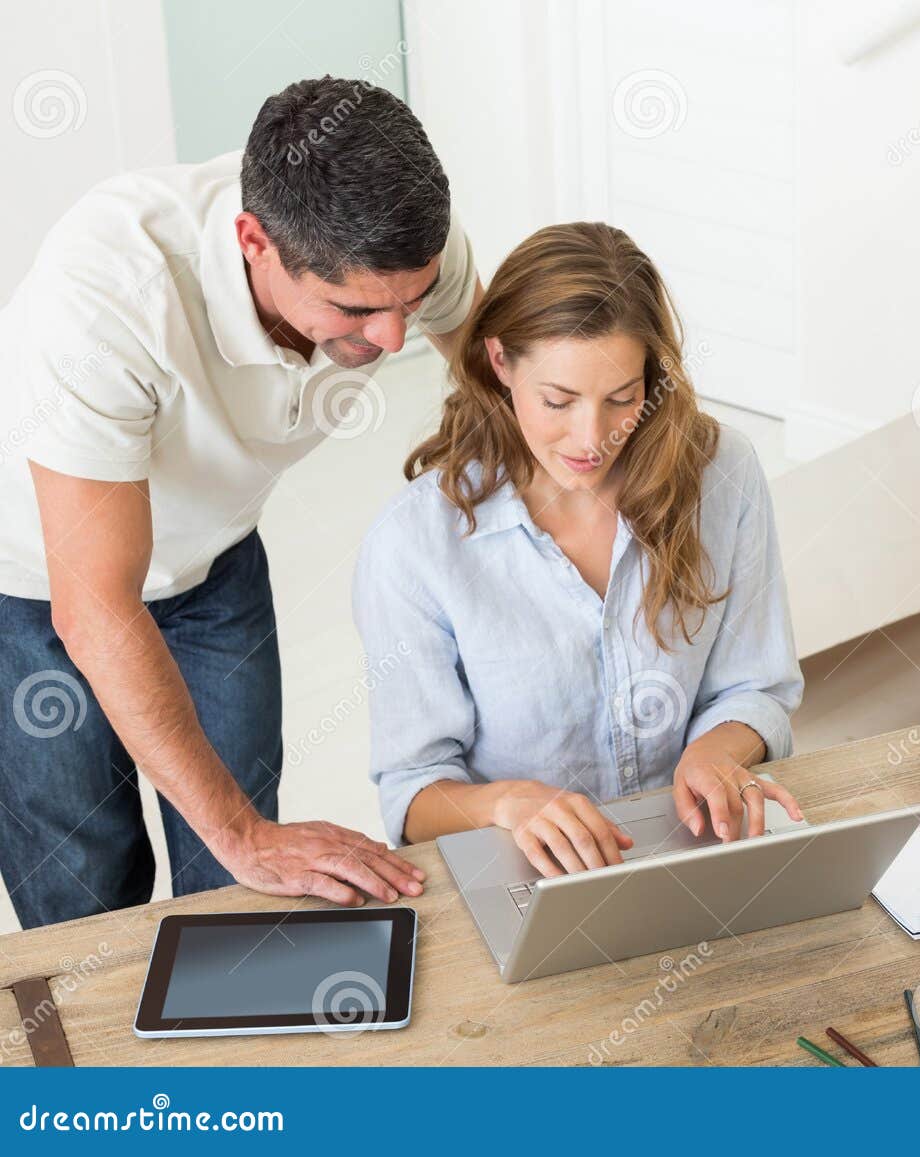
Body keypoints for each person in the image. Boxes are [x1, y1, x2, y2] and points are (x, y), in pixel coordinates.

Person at [0, 76, 481, 929]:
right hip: (35, 585)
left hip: (214, 560)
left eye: (413, 299)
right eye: (358, 310)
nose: (394, 339)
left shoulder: (397, 254)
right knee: (85, 876)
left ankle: (223, 1063)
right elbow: (95, 605)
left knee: (236, 885)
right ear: (254, 241)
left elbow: (510, 390)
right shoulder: (110, 296)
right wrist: (247, 835)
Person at [353, 222, 804, 877]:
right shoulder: (415, 544)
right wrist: (506, 804)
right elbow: (414, 790)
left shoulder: (721, 471)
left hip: (702, 851)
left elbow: (757, 688)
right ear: (500, 362)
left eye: (623, 398)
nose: (592, 438)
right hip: (526, 877)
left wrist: (713, 751)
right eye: (558, 401)